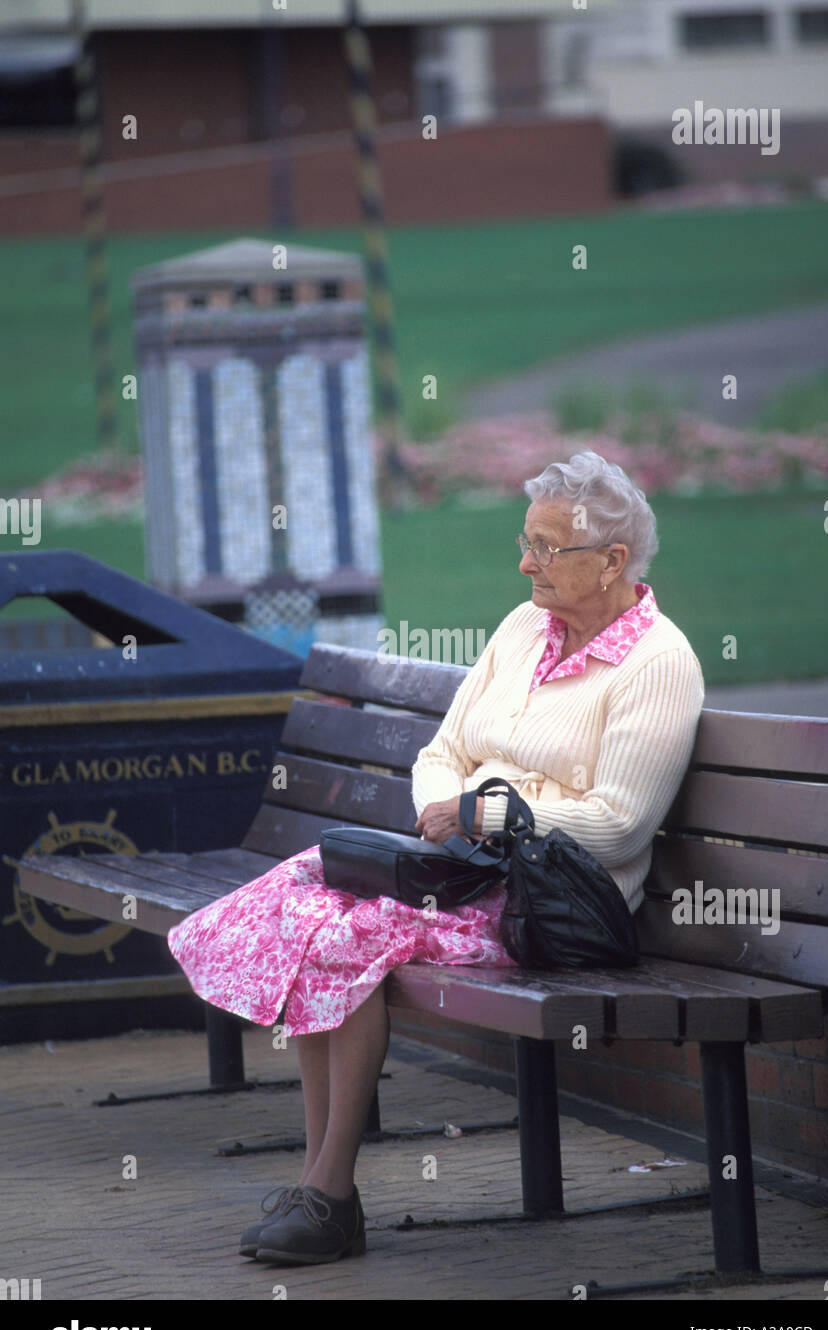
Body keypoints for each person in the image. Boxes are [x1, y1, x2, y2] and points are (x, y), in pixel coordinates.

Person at [166, 450, 704, 1267]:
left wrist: (481, 816)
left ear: (612, 561)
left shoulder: (658, 663)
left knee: (343, 935)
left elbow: (617, 828)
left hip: (552, 907)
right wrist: (436, 806)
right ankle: (318, 1183)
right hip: (463, 874)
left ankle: (332, 1194)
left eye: (547, 548)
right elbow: (444, 747)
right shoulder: (524, 627)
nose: (526, 563)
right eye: (523, 541)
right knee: (309, 910)